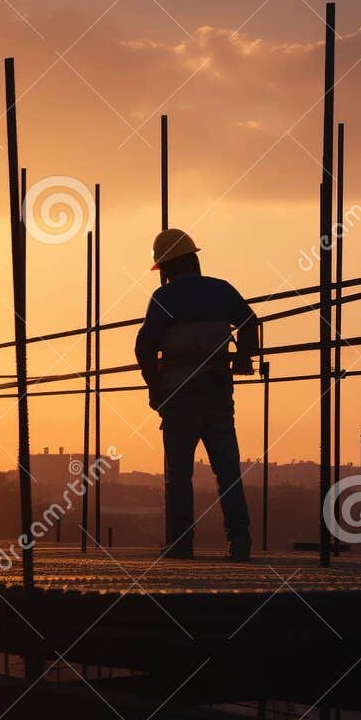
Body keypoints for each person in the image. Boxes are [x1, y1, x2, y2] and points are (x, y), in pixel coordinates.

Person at [135, 229, 259, 561]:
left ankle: (181, 543)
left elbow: (144, 345)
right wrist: (244, 359)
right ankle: (239, 540)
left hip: (178, 398)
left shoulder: (165, 299)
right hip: (217, 394)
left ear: (167, 269)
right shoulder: (221, 290)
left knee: (179, 474)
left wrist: (154, 387)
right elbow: (249, 321)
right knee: (227, 468)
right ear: (194, 259)